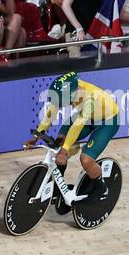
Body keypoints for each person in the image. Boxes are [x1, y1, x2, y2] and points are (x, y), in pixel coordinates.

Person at [25, 70, 120, 213]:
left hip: (107, 121)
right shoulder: (66, 90)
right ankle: (58, 190)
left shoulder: (89, 97)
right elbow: (51, 113)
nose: (63, 105)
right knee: (60, 143)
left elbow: (77, 126)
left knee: (86, 159)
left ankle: (101, 188)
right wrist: (36, 137)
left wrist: (67, 148)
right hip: (88, 117)